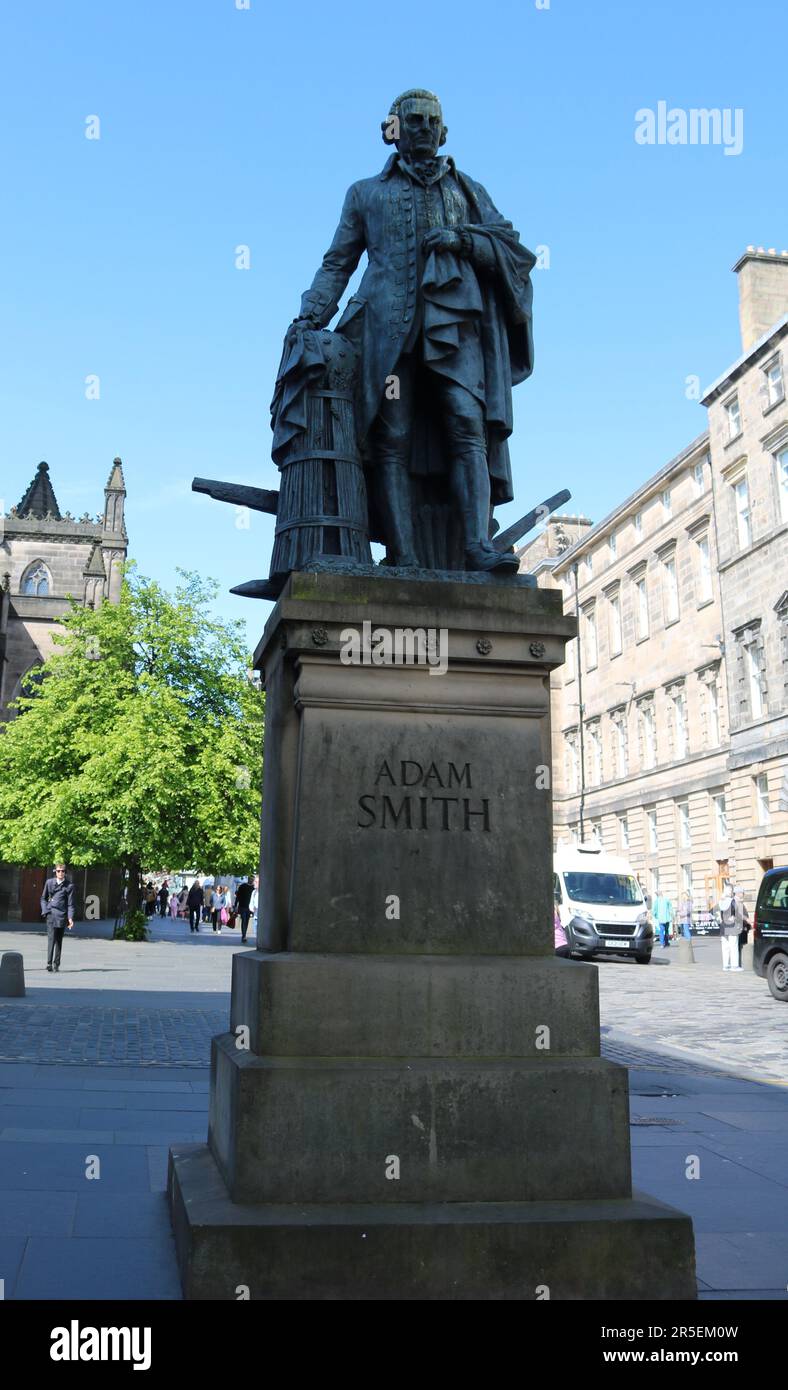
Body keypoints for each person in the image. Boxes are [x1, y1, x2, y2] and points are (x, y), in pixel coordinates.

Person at [291, 89, 535, 572]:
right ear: (394, 130)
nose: (423, 127)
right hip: (386, 333)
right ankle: (402, 555)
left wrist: (464, 240)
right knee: (391, 436)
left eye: (432, 120)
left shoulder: (468, 191)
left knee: (467, 423)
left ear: (443, 131)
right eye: (413, 120)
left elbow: (511, 249)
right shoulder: (365, 193)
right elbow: (337, 263)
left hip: (454, 329)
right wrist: (309, 315)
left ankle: (476, 547)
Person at [40, 862, 75, 973]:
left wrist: (70, 918)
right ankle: (49, 963)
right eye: (58, 871)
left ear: (65, 872)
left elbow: (70, 904)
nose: (60, 873)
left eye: (63, 871)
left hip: (61, 915)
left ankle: (57, 964)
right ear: (55, 871)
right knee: (51, 938)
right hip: (51, 914)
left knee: (58, 940)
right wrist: (45, 910)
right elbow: (43, 898)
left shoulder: (69, 886)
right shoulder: (49, 882)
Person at [719, 885, 749, 971]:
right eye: (731, 890)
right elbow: (738, 914)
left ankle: (726, 965)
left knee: (725, 947)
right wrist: (745, 919)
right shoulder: (733, 901)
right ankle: (734, 966)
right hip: (732, 926)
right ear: (731, 892)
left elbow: (717, 912)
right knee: (733, 946)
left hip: (723, 926)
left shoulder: (721, 901)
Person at [234, 877, 254, 943]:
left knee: (247, 921)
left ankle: (244, 934)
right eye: (250, 879)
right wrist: (235, 905)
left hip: (249, 908)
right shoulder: (242, 886)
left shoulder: (253, 888)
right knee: (244, 920)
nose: (251, 880)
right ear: (248, 879)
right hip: (242, 906)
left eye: (252, 879)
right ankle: (244, 935)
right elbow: (238, 896)